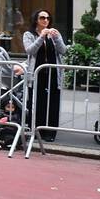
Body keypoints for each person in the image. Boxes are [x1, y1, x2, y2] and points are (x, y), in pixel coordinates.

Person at [23, 8, 67, 142]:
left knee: (53, 103)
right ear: (36, 20)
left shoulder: (53, 34)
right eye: (42, 18)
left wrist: (58, 38)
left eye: (47, 18)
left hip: (53, 73)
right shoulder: (28, 34)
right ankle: (35, 130)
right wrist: (41, 37)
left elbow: (63, 51)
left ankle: (51, 133)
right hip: (37, 73)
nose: (46, 20)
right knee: (36, 102)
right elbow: (30, 50)